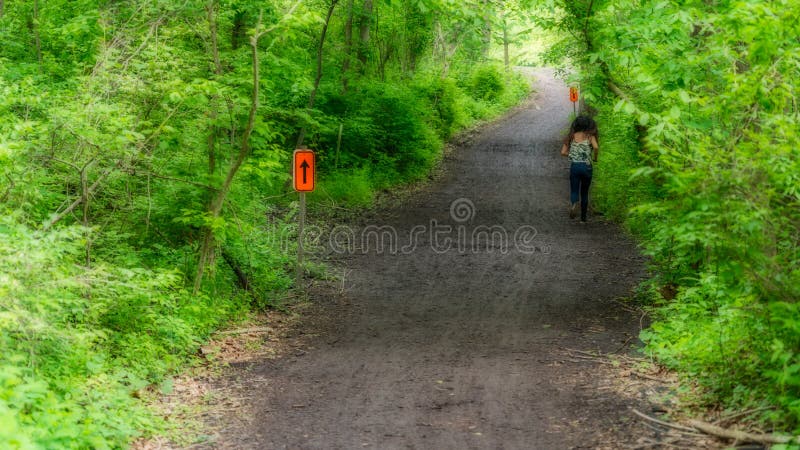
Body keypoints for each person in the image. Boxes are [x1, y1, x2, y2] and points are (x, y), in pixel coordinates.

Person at [560, 116, 599, 223]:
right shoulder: (590, 136)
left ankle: (574, 204)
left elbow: (563, 152)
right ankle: (583, 219)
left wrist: (572, 155)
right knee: (585, 192)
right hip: (587, 167)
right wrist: (595, 158)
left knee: (574, 189)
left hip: (575, 166)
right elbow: (596, 147)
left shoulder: (571, 136)